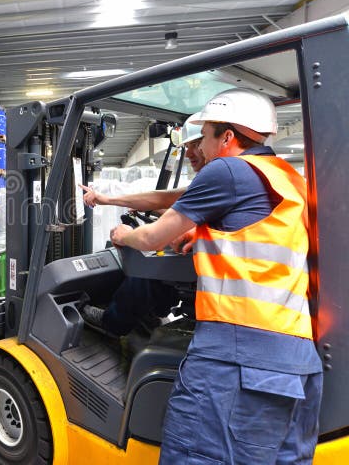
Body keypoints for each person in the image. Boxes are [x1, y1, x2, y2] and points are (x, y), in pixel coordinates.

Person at [108, 88, 322, 464]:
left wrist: (123, 236)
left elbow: (152, 237)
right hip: (297, 358)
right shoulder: (288, 177)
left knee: (197, 454)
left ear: (227, 137)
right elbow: (261, 234)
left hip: (238, 356)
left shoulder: (228, 169)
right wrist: (204, 236)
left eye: (204, 137)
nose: (201, 148)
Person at [78, 114, 206, 336]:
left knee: (146, 267)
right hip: (206, 264)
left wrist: (125, 235)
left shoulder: (218, 176)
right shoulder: (211, 179)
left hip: (208, 271)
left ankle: (114, 322)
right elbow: (163, 199)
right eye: (188, 146)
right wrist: (107, 199)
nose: (190, 153)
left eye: (196, 145)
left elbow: (150, 238)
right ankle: (151, 312)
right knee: (157, 264)